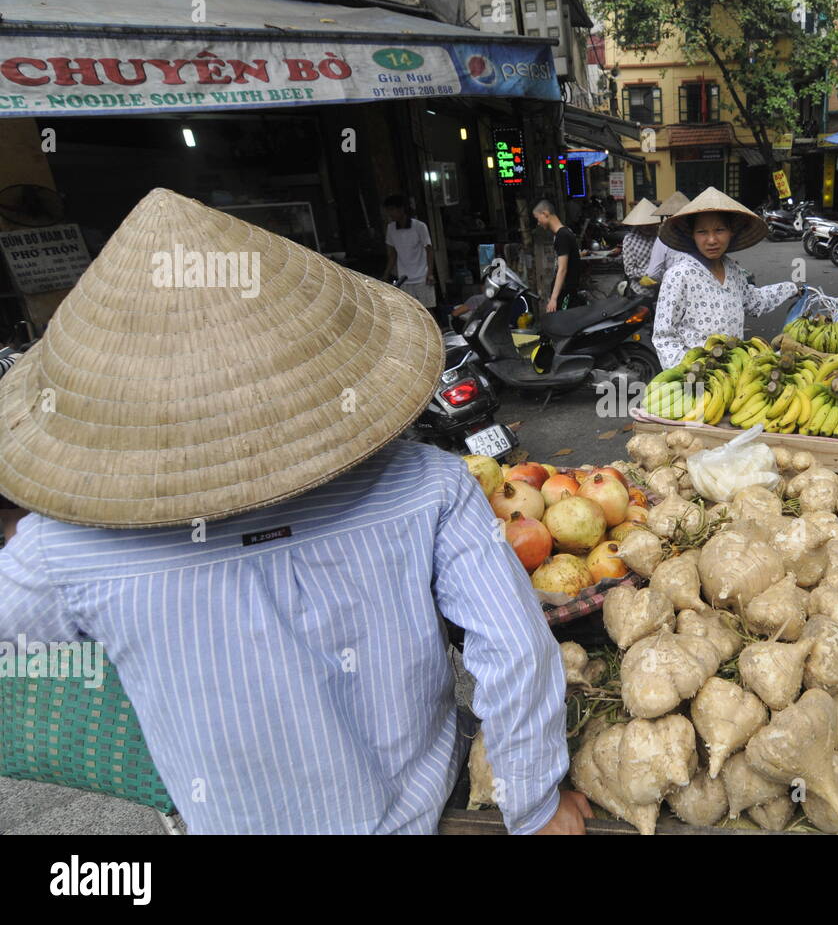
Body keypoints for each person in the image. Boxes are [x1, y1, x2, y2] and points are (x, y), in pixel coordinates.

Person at [0, 188, 588, 835]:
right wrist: (532, 799)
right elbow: (514, 645)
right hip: (419, 809)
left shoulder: (64, 551)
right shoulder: (426, 483)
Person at [651, 187, 799, 368]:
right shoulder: (679, 275)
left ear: (731, 232)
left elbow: (754, 301)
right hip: (697, 379)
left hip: (735, 372)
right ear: (692, 235)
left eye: (719, 230)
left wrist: (790, 288)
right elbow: (664, 336)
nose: (712, 240)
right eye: (702, 232)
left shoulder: (733, 270)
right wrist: (693, 372)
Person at [381, 194, 437, 312]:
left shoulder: (419, 227)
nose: (390, 214)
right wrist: (386, 274)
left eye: (392, 210)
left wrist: (430, 273)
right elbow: (393, 254)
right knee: (410, 312)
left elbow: (429, 250)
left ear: (401, 209)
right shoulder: (391, 229)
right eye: (388, 211)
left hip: (422, 277)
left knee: (427, 311)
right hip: (404, 279)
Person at [532, 199, 585, 313]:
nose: (538, 223)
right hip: (566, 291)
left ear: (545, 214)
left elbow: (562, 269)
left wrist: (554, 299)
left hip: (566, 293)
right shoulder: (565, 233)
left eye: (537, 218)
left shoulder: (562, 235)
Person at [620, 198, 660, 282]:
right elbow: (629, 270)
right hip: (640, 291)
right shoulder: (630, 240)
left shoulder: (660, 237)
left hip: (661, 288)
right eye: (643, 224)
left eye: (650, 224)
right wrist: (651, 273)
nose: (646, 227)